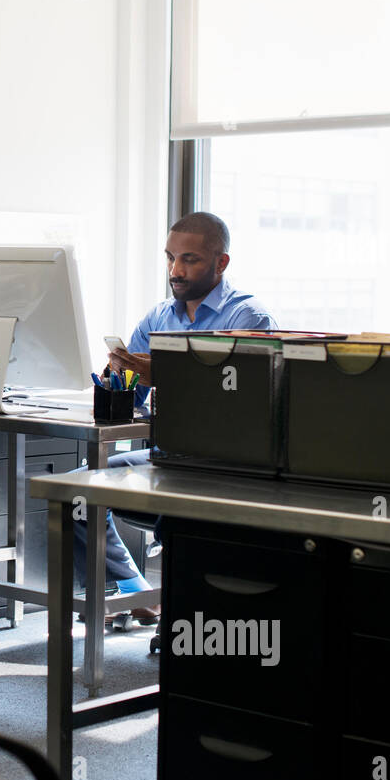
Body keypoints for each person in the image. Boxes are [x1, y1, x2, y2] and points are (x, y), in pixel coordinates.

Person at [76, 211, 277, 620]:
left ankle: (189, 616)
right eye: (170, 258)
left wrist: (164, 374)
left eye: (190, 259)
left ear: (221, 263)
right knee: (78, 490)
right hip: (167, 458)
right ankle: (137, 591)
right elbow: (134, 390)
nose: (175, 270)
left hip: (226, 467)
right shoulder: (159, 317)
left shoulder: (247, 318)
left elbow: (243, 406)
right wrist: (118, 376)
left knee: (180, 508)